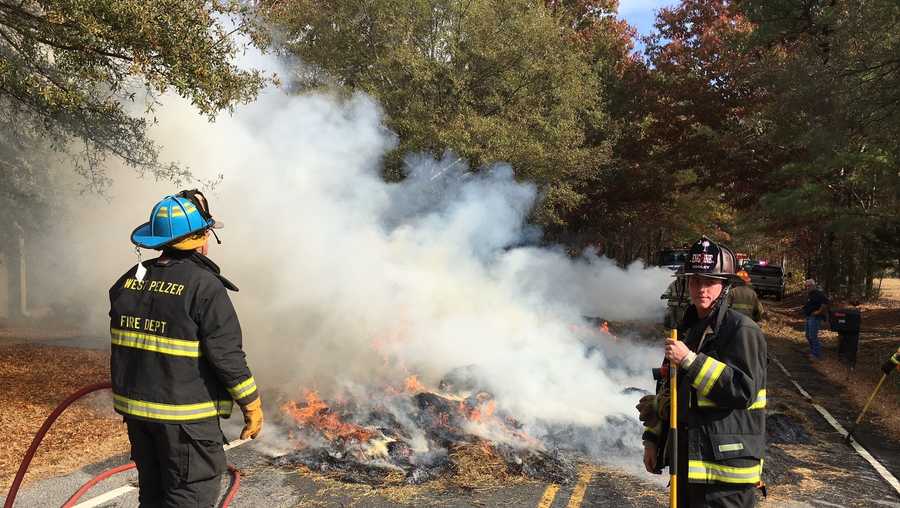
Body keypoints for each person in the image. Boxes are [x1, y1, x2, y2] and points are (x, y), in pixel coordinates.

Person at [109, 190, 263, 507]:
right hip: (186, 425)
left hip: (139, 420)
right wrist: (251, 404)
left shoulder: (127, 282)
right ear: (201, 239)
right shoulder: (205, 287)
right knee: (188, 498)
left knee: (153, 497)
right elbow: (227, 356)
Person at [637, 236, 767, 507]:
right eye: (696, 281)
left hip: (725, 479)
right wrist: (653, 439)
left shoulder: (741, 330)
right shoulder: (687, 330)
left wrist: (691, 361)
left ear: (725, 286)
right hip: (688, 466)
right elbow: (668, 389)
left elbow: (743, 390)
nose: (702, 289)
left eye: (710, 282)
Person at [802, 279, 829, 360]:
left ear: (813, 286)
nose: (807, 288)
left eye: (809, 286)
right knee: (808, 335)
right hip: (809, 317)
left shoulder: (818, 293)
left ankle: (817, 354)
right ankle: (813, 351)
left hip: (814, 318)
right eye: (806, 286)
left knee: (813, 336)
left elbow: (825, 303)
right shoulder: (810, 294)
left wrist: (818, 312)